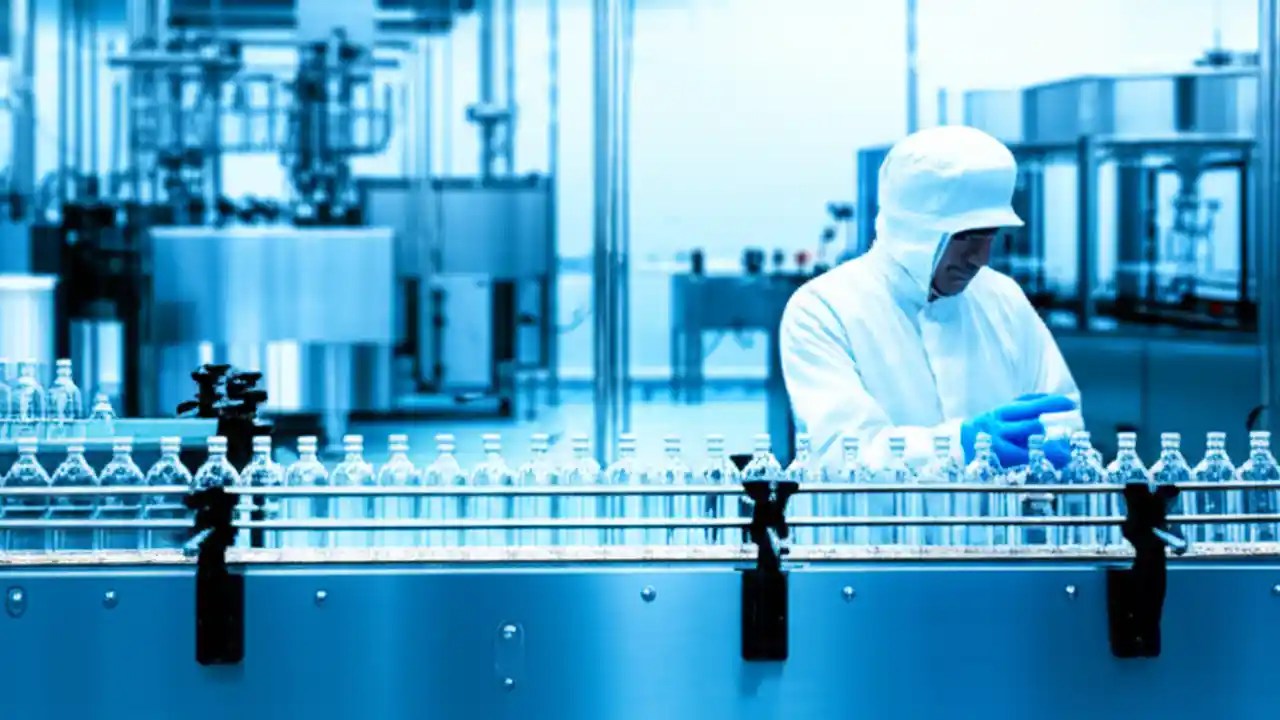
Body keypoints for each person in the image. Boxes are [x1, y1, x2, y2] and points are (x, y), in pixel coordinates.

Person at [780, 125, 1082, 471]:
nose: (980, 258)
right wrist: (961, 447)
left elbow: (1062, 418)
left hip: (997, 524)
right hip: (878, 524)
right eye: (966, 237)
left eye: (990, 236)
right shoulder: (824, 309)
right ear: (915, 231)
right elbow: (842, 453)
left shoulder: (1003, 298)